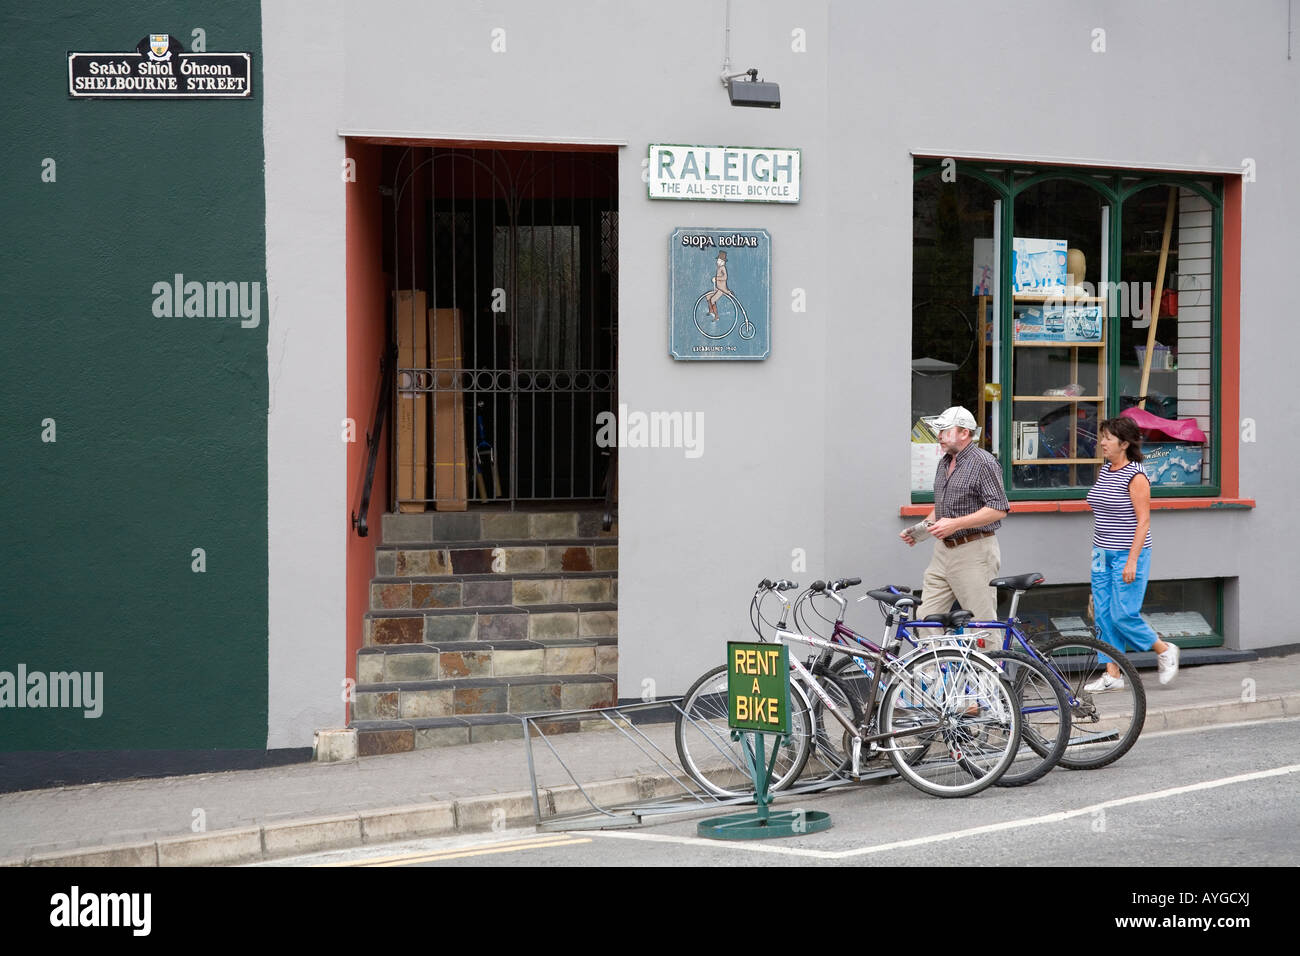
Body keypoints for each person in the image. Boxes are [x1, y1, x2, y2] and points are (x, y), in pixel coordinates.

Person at [1085, 416, 1180, 689]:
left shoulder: (1136, 476)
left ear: (1124, 444)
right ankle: (1113, 675)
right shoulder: (1107, 470)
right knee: (1102, 614)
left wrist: (1132, 560)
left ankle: (1164, 650)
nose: (1102, 442)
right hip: (1101, 552)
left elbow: (1144, 521)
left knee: (1122, 613)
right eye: (1102, 437)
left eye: (1108, 438)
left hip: (1128, 553)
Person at [900, 405, 1008, 625]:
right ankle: (939, 661)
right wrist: (921, 530)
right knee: (925, 619)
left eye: (944, 431)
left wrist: (955, 524)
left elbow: (999, 508)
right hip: (943, 552)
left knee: (981, 624)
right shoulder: (945, 462)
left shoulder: (983, 462)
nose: (938, 436)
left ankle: (990, 660)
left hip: (974, 551)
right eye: (938, 431)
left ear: (964, 433)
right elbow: (942, 507)